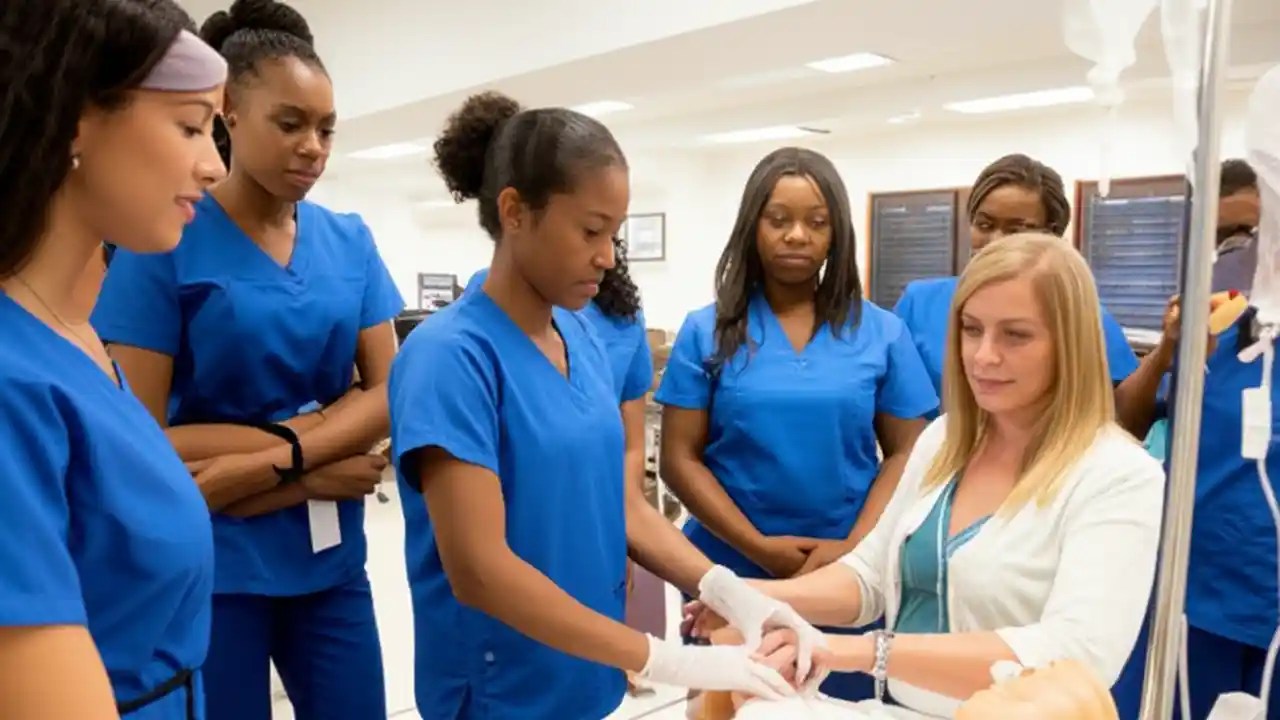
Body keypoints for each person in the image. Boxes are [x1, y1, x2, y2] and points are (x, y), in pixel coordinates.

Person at [389, 90, 826, 719]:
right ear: (514, 212)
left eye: (615, 234)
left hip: (586, 674)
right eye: (591, 231)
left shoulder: (580, 337)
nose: (607, 256)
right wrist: (672, 661)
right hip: (502, 688)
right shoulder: (449, 357)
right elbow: (480, 570)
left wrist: (734, 594)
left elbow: (622, 505)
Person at [689, 233, 1166, 718]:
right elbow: (870, 578)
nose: (983, 356)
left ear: (1070, 344)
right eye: (972, 329)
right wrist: (754, 597)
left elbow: (1076, 655)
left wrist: (859, 651)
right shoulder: (946, 440)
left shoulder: (1119, 476)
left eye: (1015, 335)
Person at [91, 1, 403, 718]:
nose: (313, 147)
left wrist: (265, 465)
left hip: (330, 562)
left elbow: (391, 394)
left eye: (326, 129)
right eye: (289, 123)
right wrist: (308, 465)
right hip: (214, 561)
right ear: (228, 112)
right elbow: (144, 441)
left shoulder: (349, 240)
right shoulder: (163, 242)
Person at [0, 2, 228, 718]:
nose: (215, 166)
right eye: (190, 126)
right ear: (74, 117)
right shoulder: (12, 381)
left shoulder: (76, 340)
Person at [657, 147, 938, 701]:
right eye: (778, 219)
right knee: (727, 705)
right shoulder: (706, 331)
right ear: (753, 226)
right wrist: (759, 546)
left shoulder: (881, 333)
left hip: (846, 572)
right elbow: (678, 458)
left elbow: (908, 453)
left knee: (838, 700)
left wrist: (854, 547)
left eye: (816, 222)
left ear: (837, 234)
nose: (796, 235)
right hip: (729, 564)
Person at [1120, 161, 1279, 720]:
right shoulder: (1210, 334)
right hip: (1196, 595)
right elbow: (1125, 424)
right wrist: (1170, 348)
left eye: (1250, 233)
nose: (1236, 251)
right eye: (1218, 237)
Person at [893, 154, 1139, 422]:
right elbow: (891, 403)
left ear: (1051, 234)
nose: (995, 241)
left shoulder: (1081, 313)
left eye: (1016, 230)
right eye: (984, 225)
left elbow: (1120, 415)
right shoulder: (920, 304)